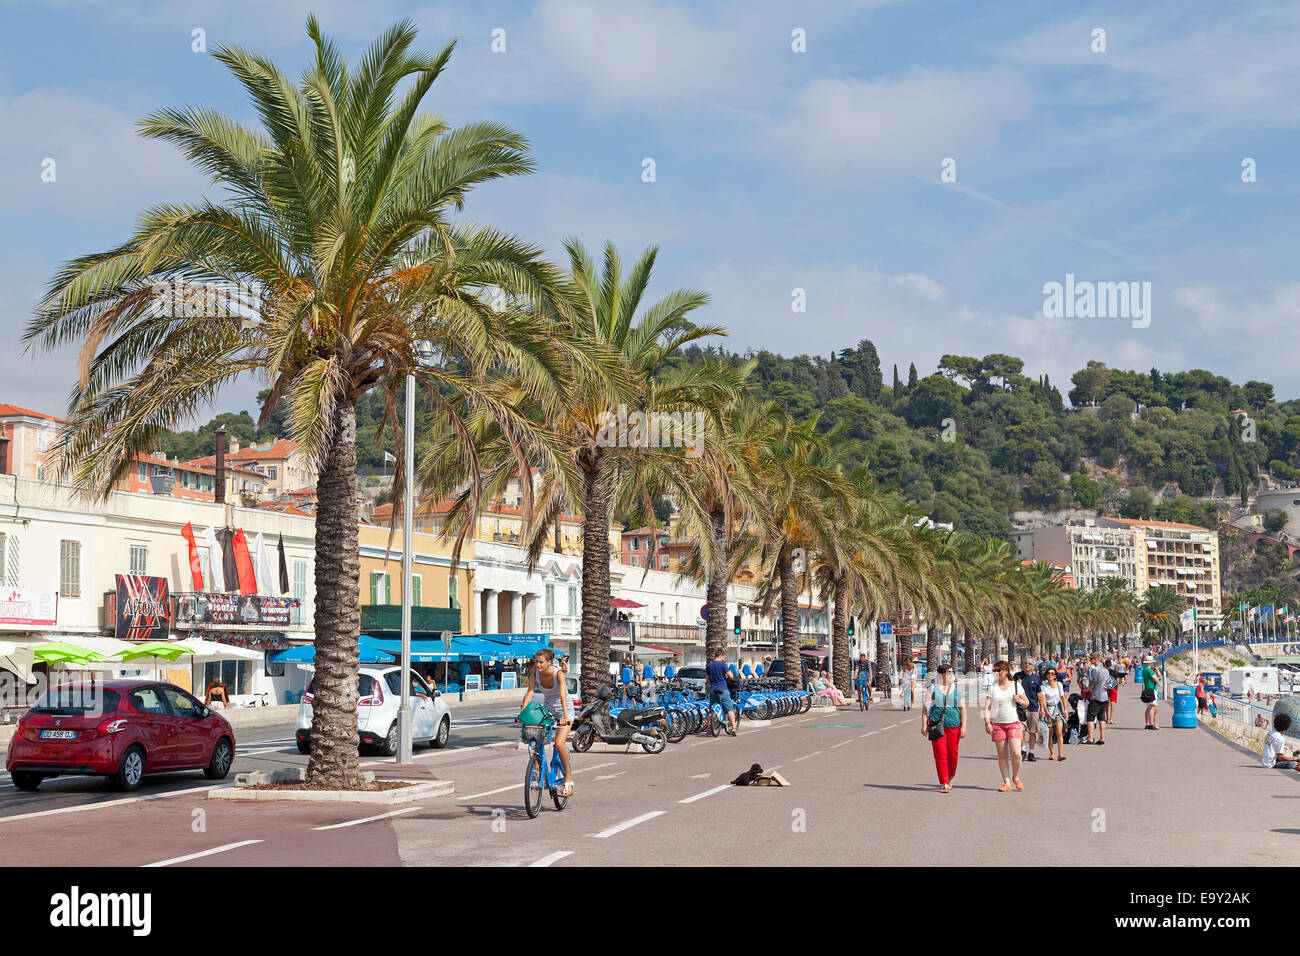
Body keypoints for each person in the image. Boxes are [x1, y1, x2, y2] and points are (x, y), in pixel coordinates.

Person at [519, 648, 574, 795]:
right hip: (548, 709)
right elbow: (529, 694)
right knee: (536, 741)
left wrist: (566, 718)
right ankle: (537, 772)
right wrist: (522, 714)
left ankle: (568, 780)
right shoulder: (534, 675)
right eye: (536, 662)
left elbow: (563, 696)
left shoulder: (559, 674)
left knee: (559, 744)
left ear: (549, 662)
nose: (538, 665)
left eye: (541, 662)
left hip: (564, 709)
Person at [983, 660, 1029, 791]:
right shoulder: (993, 687)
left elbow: (1027, 703)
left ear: (1006, 671)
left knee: (1016, 753)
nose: (996, 673)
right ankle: (1007, 782)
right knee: (1002, 754)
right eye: (995, 670)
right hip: (997, 724)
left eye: (999, 670)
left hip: (1014, 722)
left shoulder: (1016, 686)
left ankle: (1016, 776)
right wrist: (987, 722)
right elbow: (987, 707)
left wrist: (1019, 700)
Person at [922, 663, 967, 792]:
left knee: (953, 755)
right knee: (940, 754)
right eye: (948, 672)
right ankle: (944, 782)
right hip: (936, 725)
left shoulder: (957, 690)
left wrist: (963, 726)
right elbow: (926, 709)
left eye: (952, 672)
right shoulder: (931, 689)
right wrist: (924, 724)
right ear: (941, 675)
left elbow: (963, 709)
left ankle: (950, 776)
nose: (951, 675)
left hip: (954, 725)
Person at [1013, 658, 1043, 762]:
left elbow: (1039, 694)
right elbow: (1012, 689)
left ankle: (1031, 752)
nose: (1027, 665)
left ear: (1033, 666)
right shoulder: (1017, 676)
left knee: (1032, 731)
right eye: (1025, 662)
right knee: (1021, 730)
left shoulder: (1037, 678)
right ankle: (1023, 750)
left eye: (1030, 663)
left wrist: (1042, 708)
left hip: (1033, 708)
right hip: (1020, 708)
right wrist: (1017, 684)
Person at [707, 649, 738, 736]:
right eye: (724, 656)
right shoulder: (723, 665)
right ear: (721, 655)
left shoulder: (710, 665)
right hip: (723, 689)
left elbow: (707, 679)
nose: (724, 658)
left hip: (713, 689)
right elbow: (731, 676)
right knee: (729, 709)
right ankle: (734, 728)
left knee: (712, 709)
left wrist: (712, 684)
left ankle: (709, 730)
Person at [1040, 667, 1068, 760]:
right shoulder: (1043, 685)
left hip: (1057, 709)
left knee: (1059, 732)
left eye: (1052, 673)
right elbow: (1043, 699)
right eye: (1048, 673)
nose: (1050, 675)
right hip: (1048, 709)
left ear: (1055, 675)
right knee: (1050, 732)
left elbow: (1062, 697)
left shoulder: (1059, 684)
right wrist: (1044, 710)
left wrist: (1065, 709)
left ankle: (1060, 754)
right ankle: (1052, 753)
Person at [1087, 653, 1110, 745]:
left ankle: (1090, 738)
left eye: (1091, 659)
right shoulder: (1105, 670)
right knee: (1102, 718)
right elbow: (1109, 683)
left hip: (1096, 696)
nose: (1090, 660)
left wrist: (1087, 688)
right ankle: (1102, 738)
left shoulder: (1095, 670)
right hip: (1104, 696)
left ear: (1096, 659)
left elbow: (1092, 682)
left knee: (1090, 717)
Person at [1140, 655, 1160, 730]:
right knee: (1152, 706)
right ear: (1151, 662)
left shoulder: (1144, 670)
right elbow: (1155, 679)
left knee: (1148, 707)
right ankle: (1151, 724)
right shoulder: (1149, 670)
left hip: (1147, 688)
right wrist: (1157, 679)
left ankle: (1147, 724)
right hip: (1152, 689)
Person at [1105, 658, 1120, 724]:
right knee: (1112, 703)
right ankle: (1111, 719)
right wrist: (1117, 689)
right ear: (1111, 665)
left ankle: (1107, 718)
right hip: (1113, 689)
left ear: (1105, 665)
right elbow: (1117, 682)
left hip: (1105, 689)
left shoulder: (1104, 672)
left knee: (1106, 704)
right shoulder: (1115, 672)